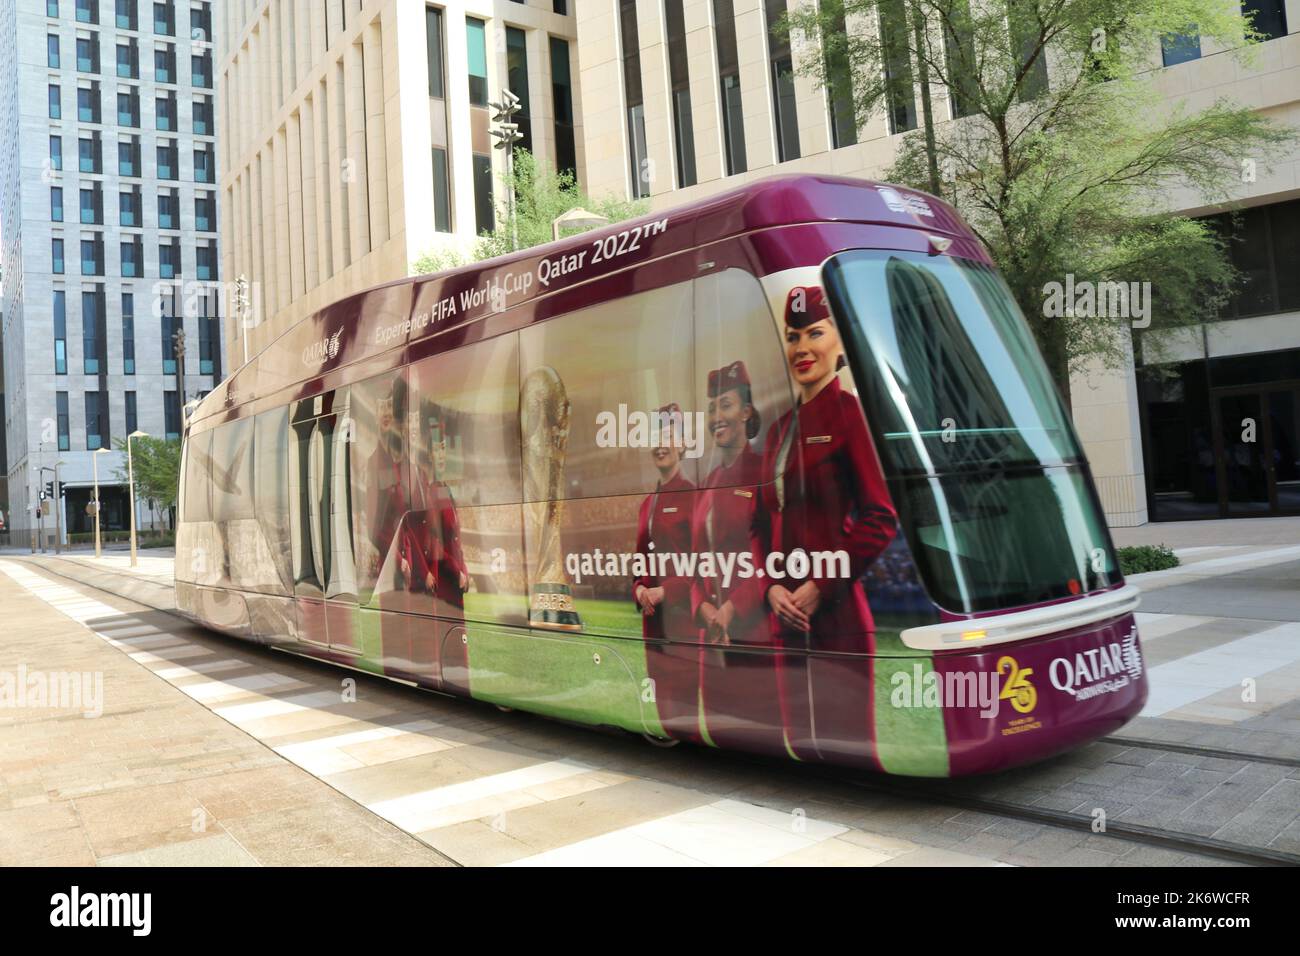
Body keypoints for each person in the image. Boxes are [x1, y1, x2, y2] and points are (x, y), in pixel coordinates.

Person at [758, 286, 897, 764]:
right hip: (785, 620)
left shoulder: (851, 414)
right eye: (793, 336)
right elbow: (760, 524)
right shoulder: (779, 431)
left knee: (852, 751)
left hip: (837, 618)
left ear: (840, 342)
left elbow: (881, 517)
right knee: (796, 748)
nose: (802, 348)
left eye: (815, 332)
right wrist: (771, 588)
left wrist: (821, 585)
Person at [690, 361, 783, 754]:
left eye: (725, 406)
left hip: (752, 634)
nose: (716, 417)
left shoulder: (764, 470)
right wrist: (706, 611)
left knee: (759, 739)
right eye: (711, 408)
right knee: (719, 740)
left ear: (747, 412)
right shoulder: (709, 481)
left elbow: (776, 557)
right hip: (712, 639)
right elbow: (694, 564)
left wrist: (731, 609)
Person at [632, 404, 699, 741]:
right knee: (664, 716)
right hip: (652, 627)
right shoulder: (647, 503)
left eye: (668, 436)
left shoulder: (693, 496)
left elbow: (705, 564)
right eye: (655, 437)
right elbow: (638, 565)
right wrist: (640, 590)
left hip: (684, 626)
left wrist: (666, 591)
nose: (660, 445)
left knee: (685, 714)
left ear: (683, 444)